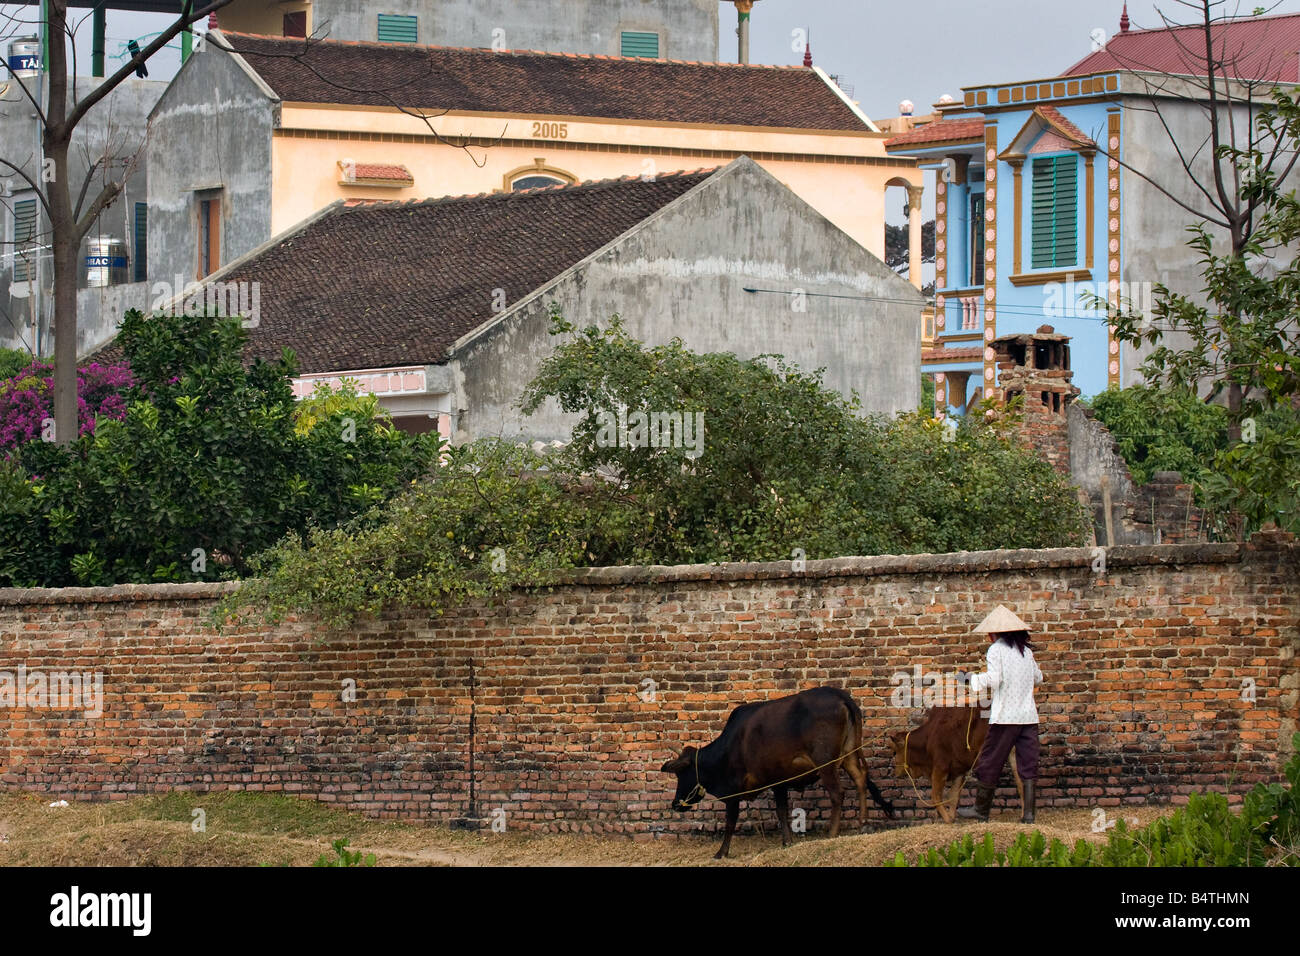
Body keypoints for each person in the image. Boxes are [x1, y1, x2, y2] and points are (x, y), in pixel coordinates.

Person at [957, 605, 1042, 823]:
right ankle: (1029, 816)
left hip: (1005, 717)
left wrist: (969, 679)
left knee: (990, 761)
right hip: (1028, 717)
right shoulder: (1027, 651)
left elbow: (994, 680)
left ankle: (981, 810)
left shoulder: (996, 650)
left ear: (996, 632)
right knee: (1028, 764)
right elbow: (1038, 678)